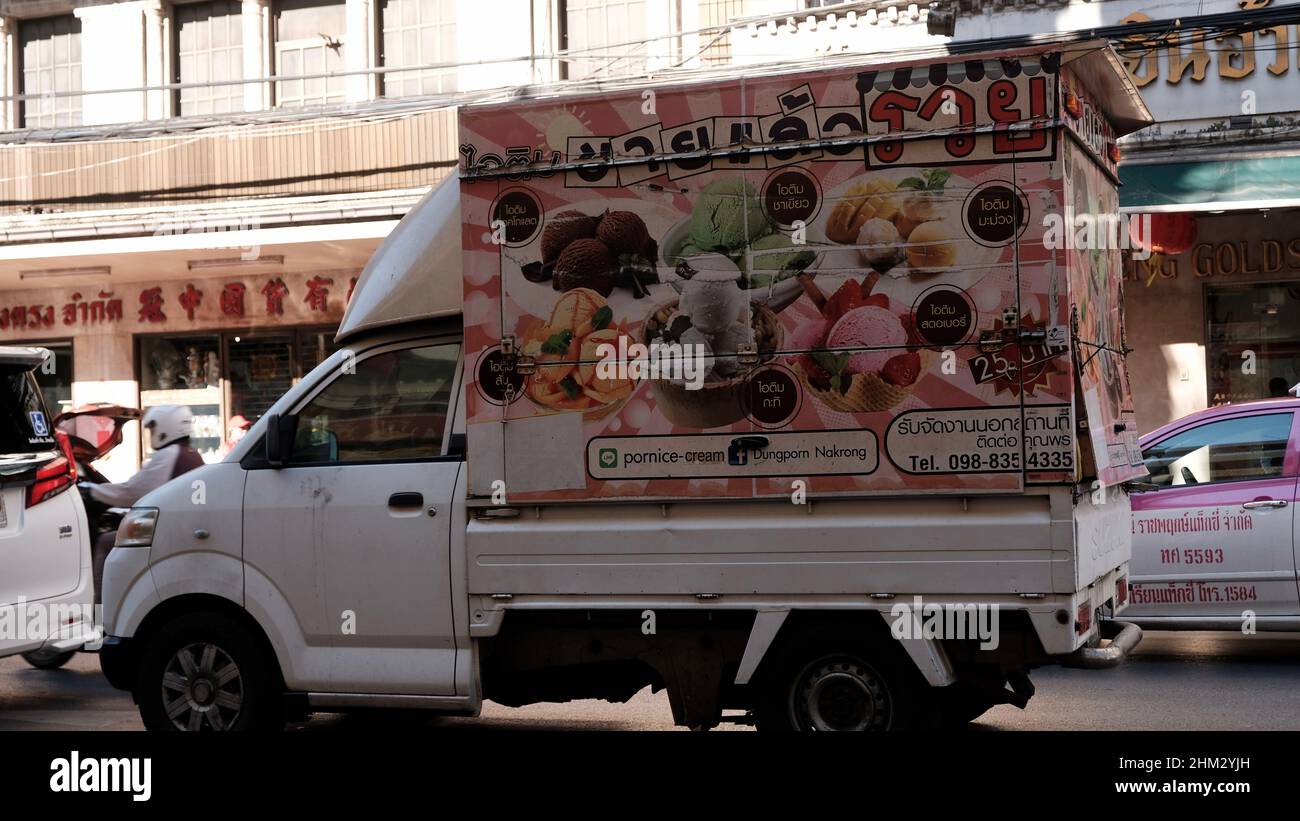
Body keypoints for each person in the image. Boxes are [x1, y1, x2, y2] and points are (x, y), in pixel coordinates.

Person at [83, 405, 205, 601]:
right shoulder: (191, 453)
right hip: (182, 528)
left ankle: (98, 608)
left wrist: (91, 490)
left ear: (166, 427)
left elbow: (132, 491)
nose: (151, 434)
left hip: (167, 532)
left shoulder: (169, 454)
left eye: (153, 428)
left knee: (105, 542)